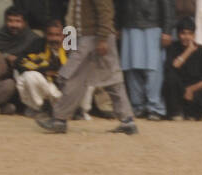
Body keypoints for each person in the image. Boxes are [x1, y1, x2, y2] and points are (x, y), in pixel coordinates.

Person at [37, 0, 137, 133]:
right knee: (112, 80)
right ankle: (127, 121)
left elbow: (106, 12)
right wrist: (69, 44)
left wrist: (102, 39)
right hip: (87, 39)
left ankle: (59, 119)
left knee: (75, 76)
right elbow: (71, 17)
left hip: (95, 38)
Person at [162, 15, 202, 117]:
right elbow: (173, 67)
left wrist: (191, 89)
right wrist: (188, 51)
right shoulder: (172, 47)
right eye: (183, 33)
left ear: (194, 35)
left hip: (195, 88)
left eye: (190, 34)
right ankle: (177, 113)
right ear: (178, 34)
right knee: (170, 80)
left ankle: (192, 112)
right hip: (178, 88)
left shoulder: (201, 50)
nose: (186, 37)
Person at [121, 0, 175, 119]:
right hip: (129, 25)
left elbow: (167, 5)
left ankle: (154, 107)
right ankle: (138, 106)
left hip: (153, 25)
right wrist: (118, 25)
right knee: (132, 69)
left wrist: (167, 30)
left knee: (153, 70)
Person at [14, 17, 66, 113]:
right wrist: (45, 70)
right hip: (44, 86)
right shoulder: (38, 44)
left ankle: (78, 111)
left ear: (63, 36)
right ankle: (40, 108)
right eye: (50, 35)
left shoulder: (70, 49)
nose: (54, 38)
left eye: (57, 35)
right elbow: (19, 62)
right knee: (30, 76)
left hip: (63, 90)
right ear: (45, 35)